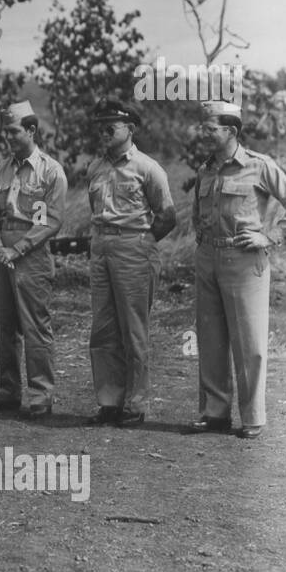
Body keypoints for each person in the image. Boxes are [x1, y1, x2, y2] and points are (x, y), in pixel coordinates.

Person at [187, 100, 286, 440]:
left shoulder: (259, 166)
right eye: (202, 127)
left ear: (231, 131)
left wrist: (270, 235)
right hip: (208, 259)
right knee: (210, 339)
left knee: (249, 342)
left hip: (245, 261)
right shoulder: (205, 168)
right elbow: (196, 214)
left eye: (210, 128)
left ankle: (253, 417)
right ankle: (215, 413)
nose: (203, 134)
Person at [84, 99, 176, 427]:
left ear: (130, 129)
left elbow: (167, 216)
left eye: (112, 127)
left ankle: (135, 405)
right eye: (101, 127)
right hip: (102, 248)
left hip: (133, 249)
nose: (105, 133)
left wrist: (142, 243)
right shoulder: (95, 168)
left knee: (134, 331)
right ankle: (109, 402)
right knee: (103, 329)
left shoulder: (147, 168)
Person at [0, 100, 67, 418]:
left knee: (35, 326)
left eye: (14, 132)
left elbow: (51, 221)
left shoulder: (49, 171)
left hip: (32, 255)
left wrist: (17, 249)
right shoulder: (2, 169)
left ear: (31, 130)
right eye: (5, 132)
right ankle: (6, 391)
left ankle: (41, 395)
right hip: (4, 253)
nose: (8, 138)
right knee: (5, 326)